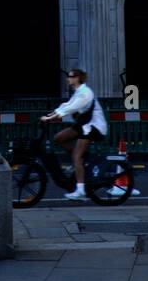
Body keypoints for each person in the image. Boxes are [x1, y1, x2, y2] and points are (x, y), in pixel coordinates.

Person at [41, 69, 108, 200]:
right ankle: (82, 159)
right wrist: (50, 114)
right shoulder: (78, 92)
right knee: (59, 138)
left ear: (77, 78)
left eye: (71, 76)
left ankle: (80, 190)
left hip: (93, 127)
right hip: (83, 125)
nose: (68, 79)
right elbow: (66, 105)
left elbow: (72, 108)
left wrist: (50, 118)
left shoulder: (85, 93)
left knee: (77, 156)